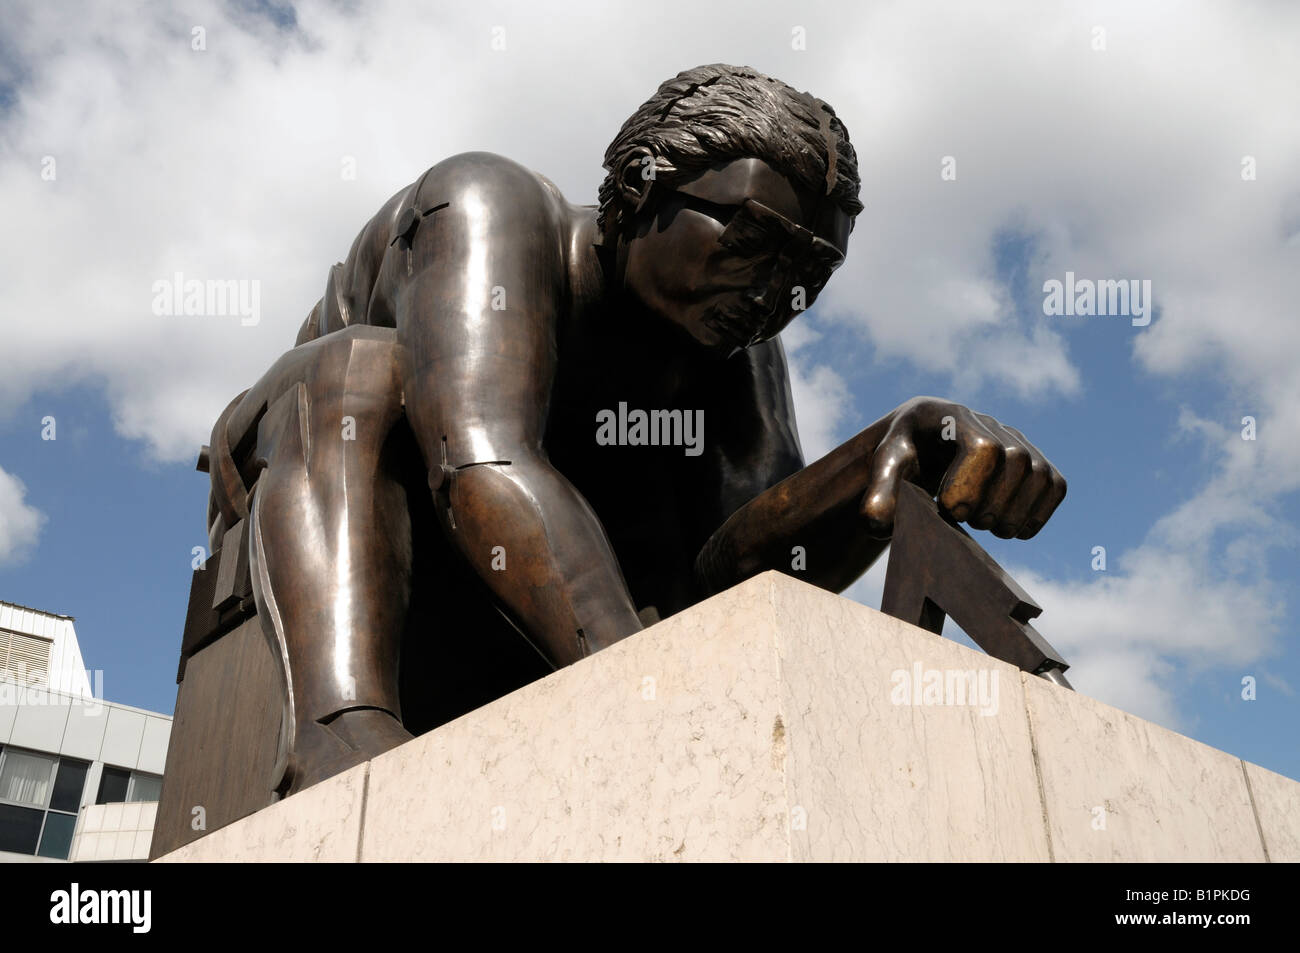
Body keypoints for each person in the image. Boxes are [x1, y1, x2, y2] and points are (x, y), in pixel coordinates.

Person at [205, 64, 1066, 794]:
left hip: (522, 537)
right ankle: (341, 731)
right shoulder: (488, 204)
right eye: (753, 241)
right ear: (639, 185)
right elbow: (479, 455)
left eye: (809, 271)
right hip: (303, 468)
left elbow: (735, 566)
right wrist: (654, 692)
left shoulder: (732, 341)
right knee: (362, 371)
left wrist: (884, 456)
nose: (773, 294)